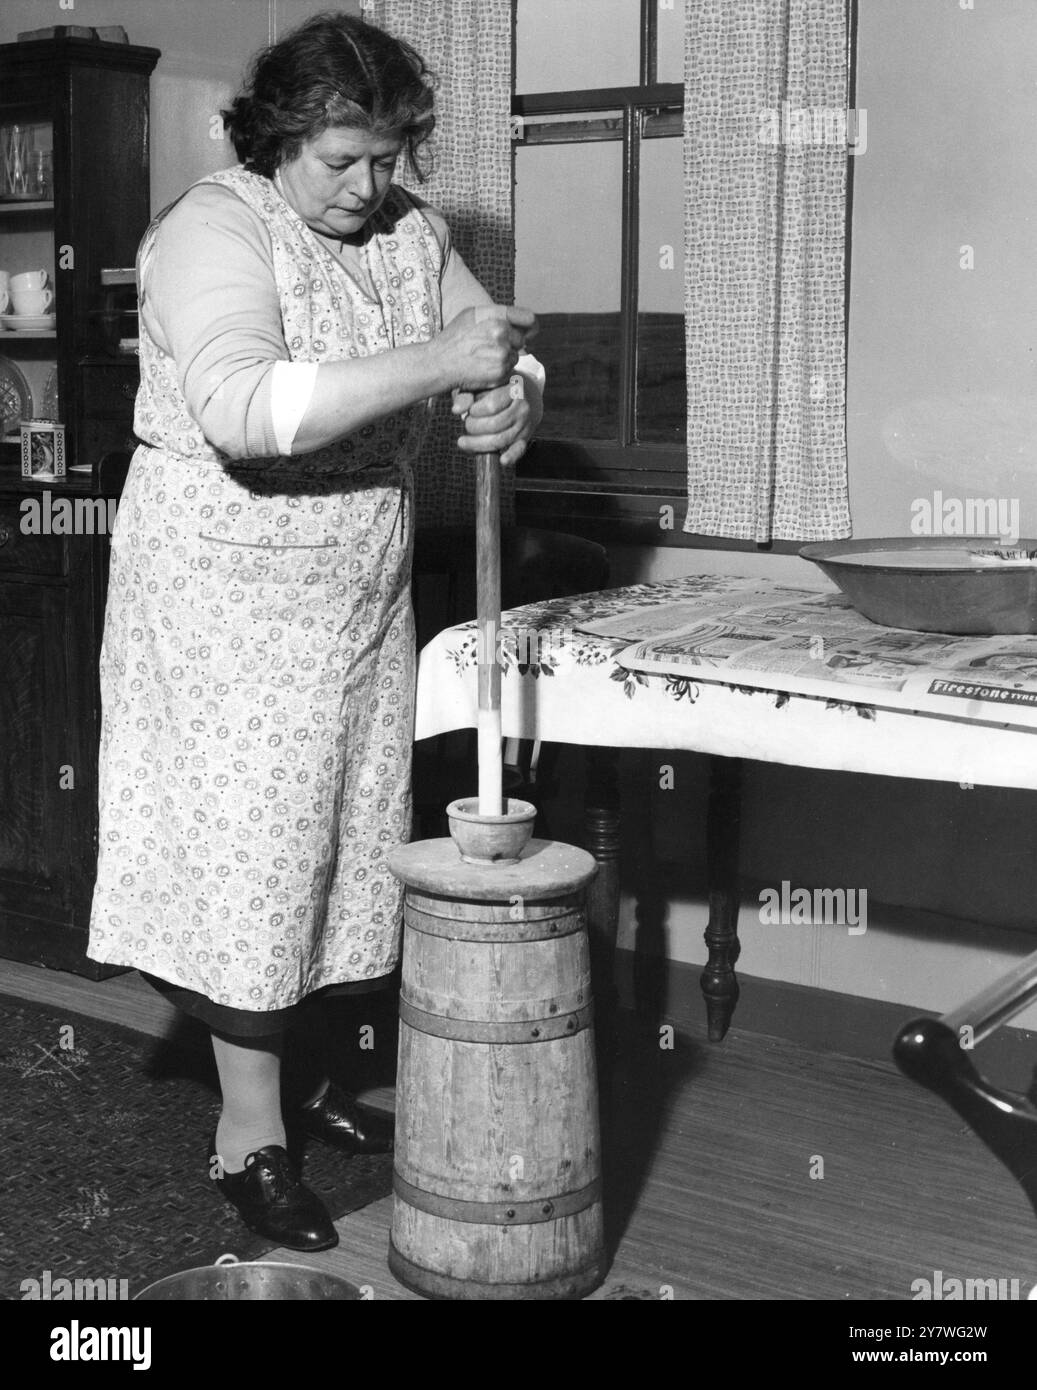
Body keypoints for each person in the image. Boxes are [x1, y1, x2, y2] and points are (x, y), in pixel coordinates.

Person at [87, 11, 543, 1252]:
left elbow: (489, 341)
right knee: (255, 864)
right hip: (224, 602)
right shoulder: (210, 229)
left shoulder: (409, 231)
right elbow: (241, 406)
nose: (369, 185)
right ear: (280, 135)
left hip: (354, 594)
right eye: (341, 158)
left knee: (344, 851)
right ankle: (250, 1134)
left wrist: (509, 397)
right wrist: (438, 360)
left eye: (388, 157)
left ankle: (317, 1078)